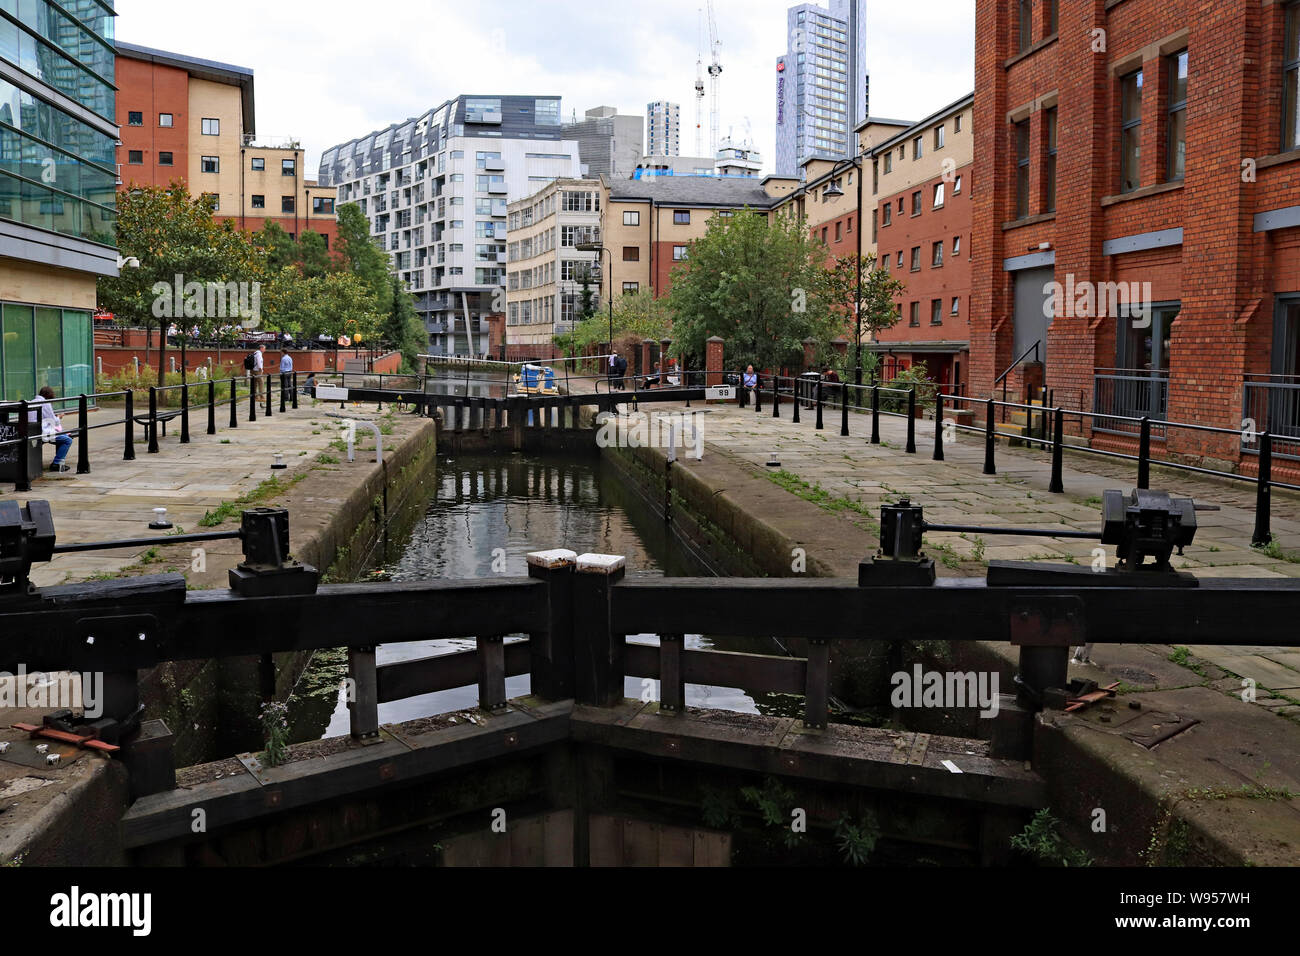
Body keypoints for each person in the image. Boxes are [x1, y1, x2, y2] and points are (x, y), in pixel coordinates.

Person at [29, 386, 72, 473]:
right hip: (42, 432)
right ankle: (57, 463)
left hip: (31, 431)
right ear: (49, 395)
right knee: (67, 440)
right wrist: (59, 417)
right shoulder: (45, 403)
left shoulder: (32, 401)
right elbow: (54, 421)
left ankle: (58, 462)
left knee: (63, 436)